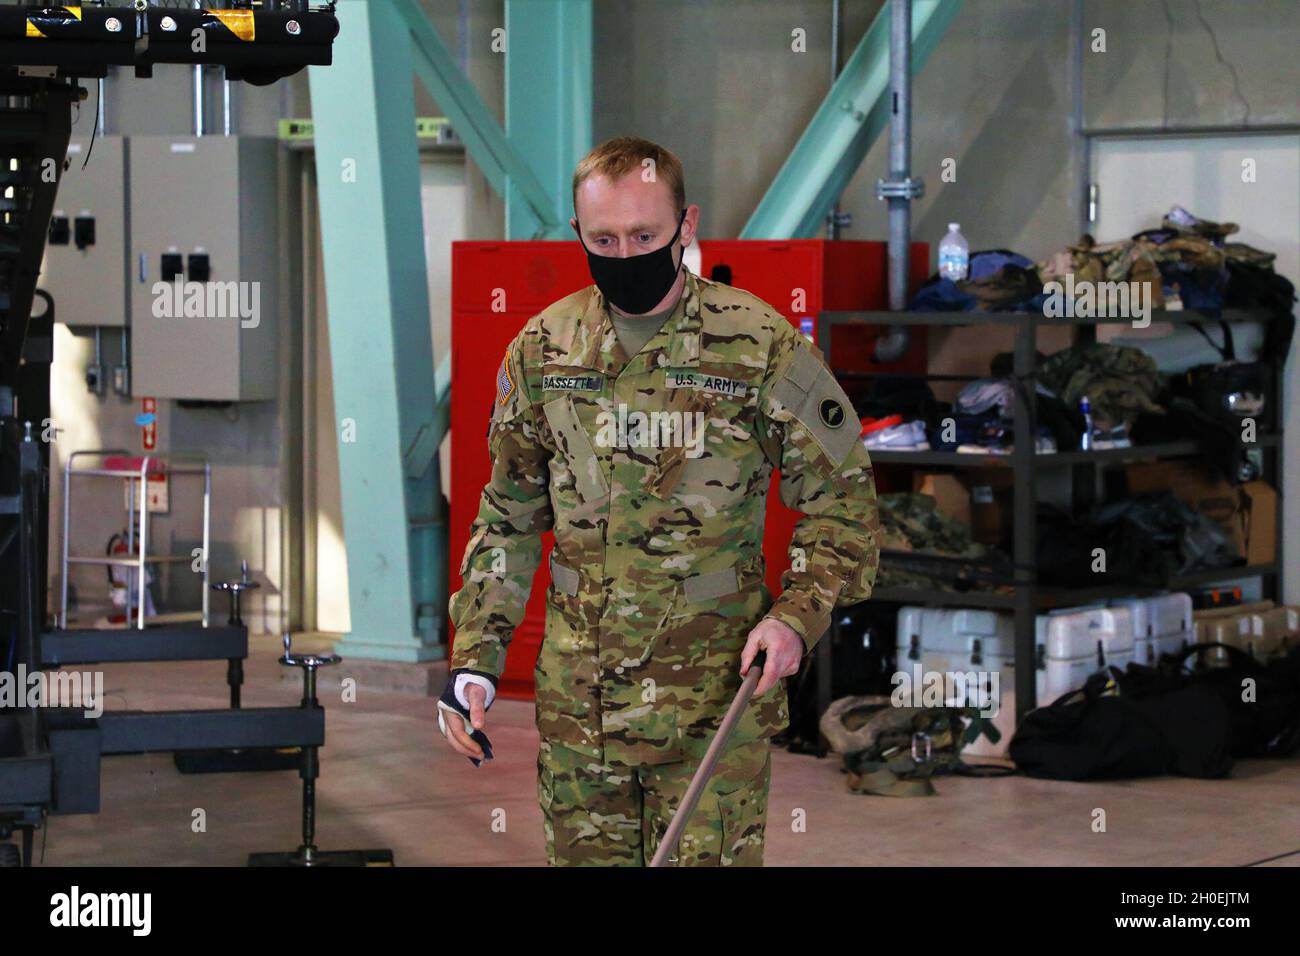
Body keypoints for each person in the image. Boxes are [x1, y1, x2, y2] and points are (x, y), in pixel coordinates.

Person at [439, 136, 880, 866]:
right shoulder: (543, 348)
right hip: (582, 712)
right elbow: (508, 518)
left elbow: (845, 506)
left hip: (711, 706)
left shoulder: (759, 345)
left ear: (687, 224)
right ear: (576, 233)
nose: (625, 253)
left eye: (644, 235)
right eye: (603, 238)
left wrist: (797, 618)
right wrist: (476, 660)